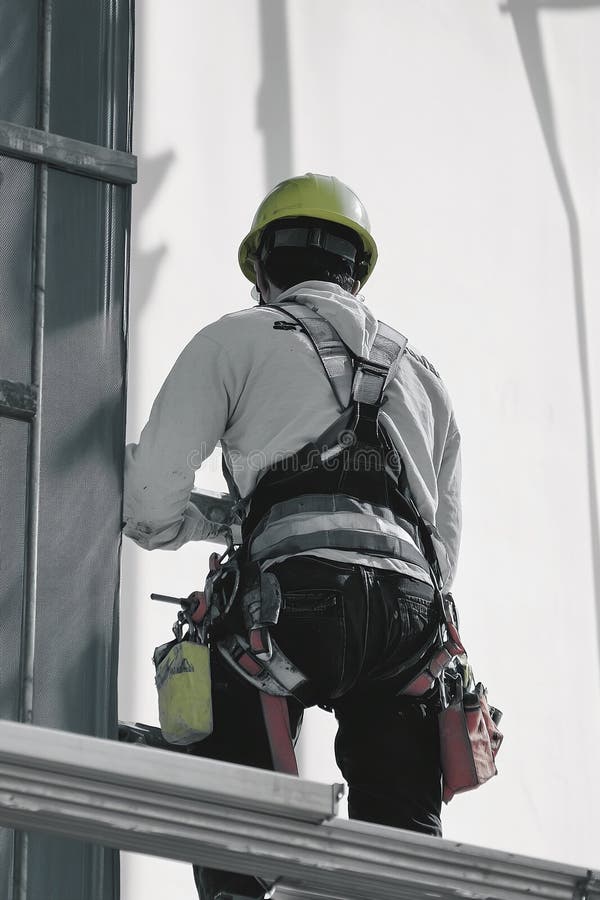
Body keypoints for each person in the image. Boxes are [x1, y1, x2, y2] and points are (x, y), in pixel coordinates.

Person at [123, 173, 462, 900]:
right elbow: (445, 550)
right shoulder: (425, 377)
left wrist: (210, 521)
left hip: (291, 605)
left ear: (262, 270)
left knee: (236, 783)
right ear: (357, 273)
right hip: (409, 621)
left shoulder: (235, 339)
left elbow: (150, 499)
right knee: (402, 850)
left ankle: (239, 882)